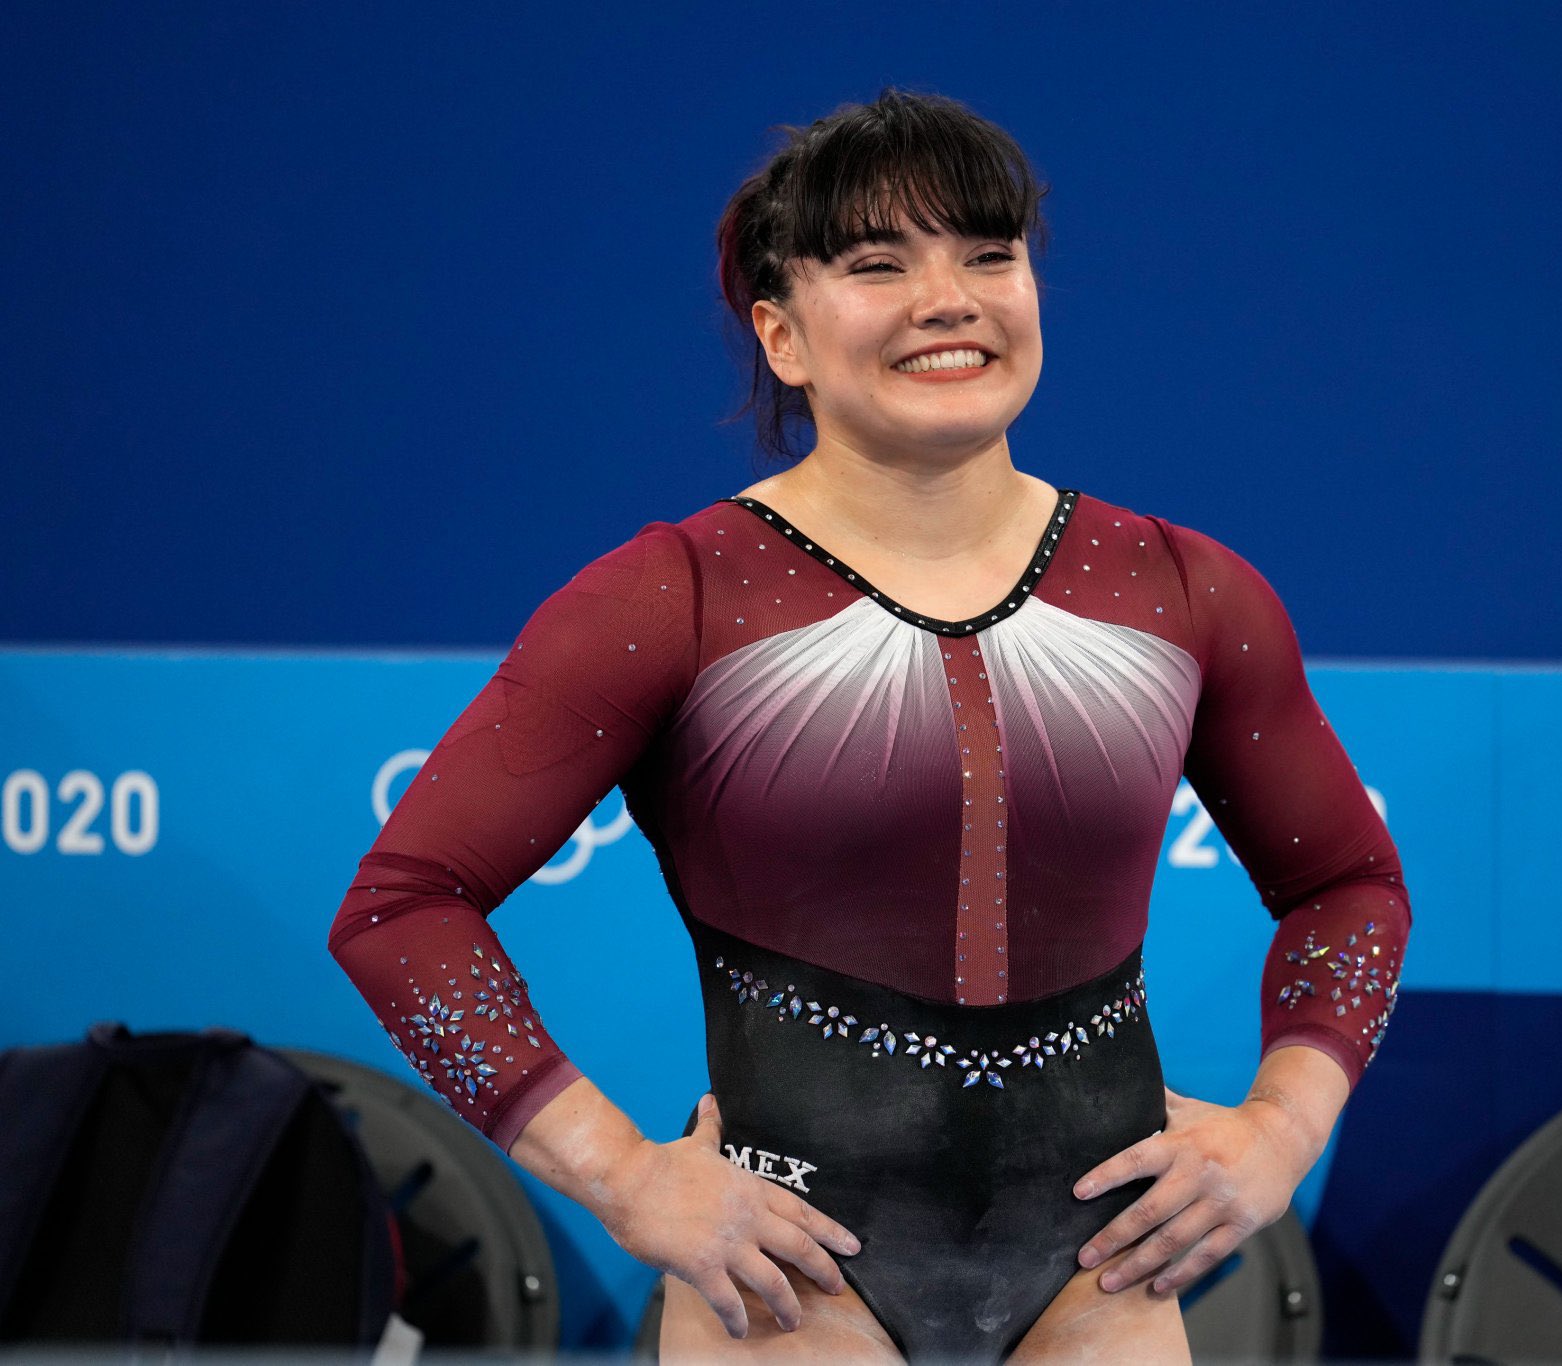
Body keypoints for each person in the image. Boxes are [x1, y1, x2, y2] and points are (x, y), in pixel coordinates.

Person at [327, 86, 1410, 1364]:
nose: (946, 298)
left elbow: (1348, 885)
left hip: (1100, 1282)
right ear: (781, 335)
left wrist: (1280, 1127)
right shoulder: (667, 596)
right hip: (792, 1286)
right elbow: (403, 907)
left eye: (987, 255)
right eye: (877, 265)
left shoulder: (1181, 588)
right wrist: (622, 1175)